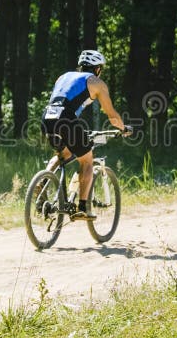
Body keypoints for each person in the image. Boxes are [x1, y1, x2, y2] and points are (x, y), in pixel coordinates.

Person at [41, 50, 130, 220]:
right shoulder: (96, 82)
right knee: (87, 160)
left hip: (47, 117)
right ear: (97, 69)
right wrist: (123, 128)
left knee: (63, 154)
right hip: (66, 118)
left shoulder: (63, 77)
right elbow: (112, 116)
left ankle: (42, 181)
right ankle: (82, 207)